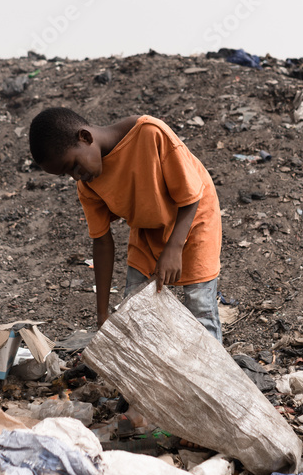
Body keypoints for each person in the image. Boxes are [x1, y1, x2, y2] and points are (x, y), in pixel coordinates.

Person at [29, 107, 223, 341]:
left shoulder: (151, 134)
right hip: (148, 229)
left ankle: (212, 376)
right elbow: (101, 241)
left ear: (86, 137)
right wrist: (102, 316)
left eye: (73, 166)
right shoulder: (89, 185)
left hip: (193, 220)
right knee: (134, 310)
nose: (76, 177)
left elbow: (191, 196)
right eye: (67, 175)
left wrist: (174, 248)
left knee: (199, 306)